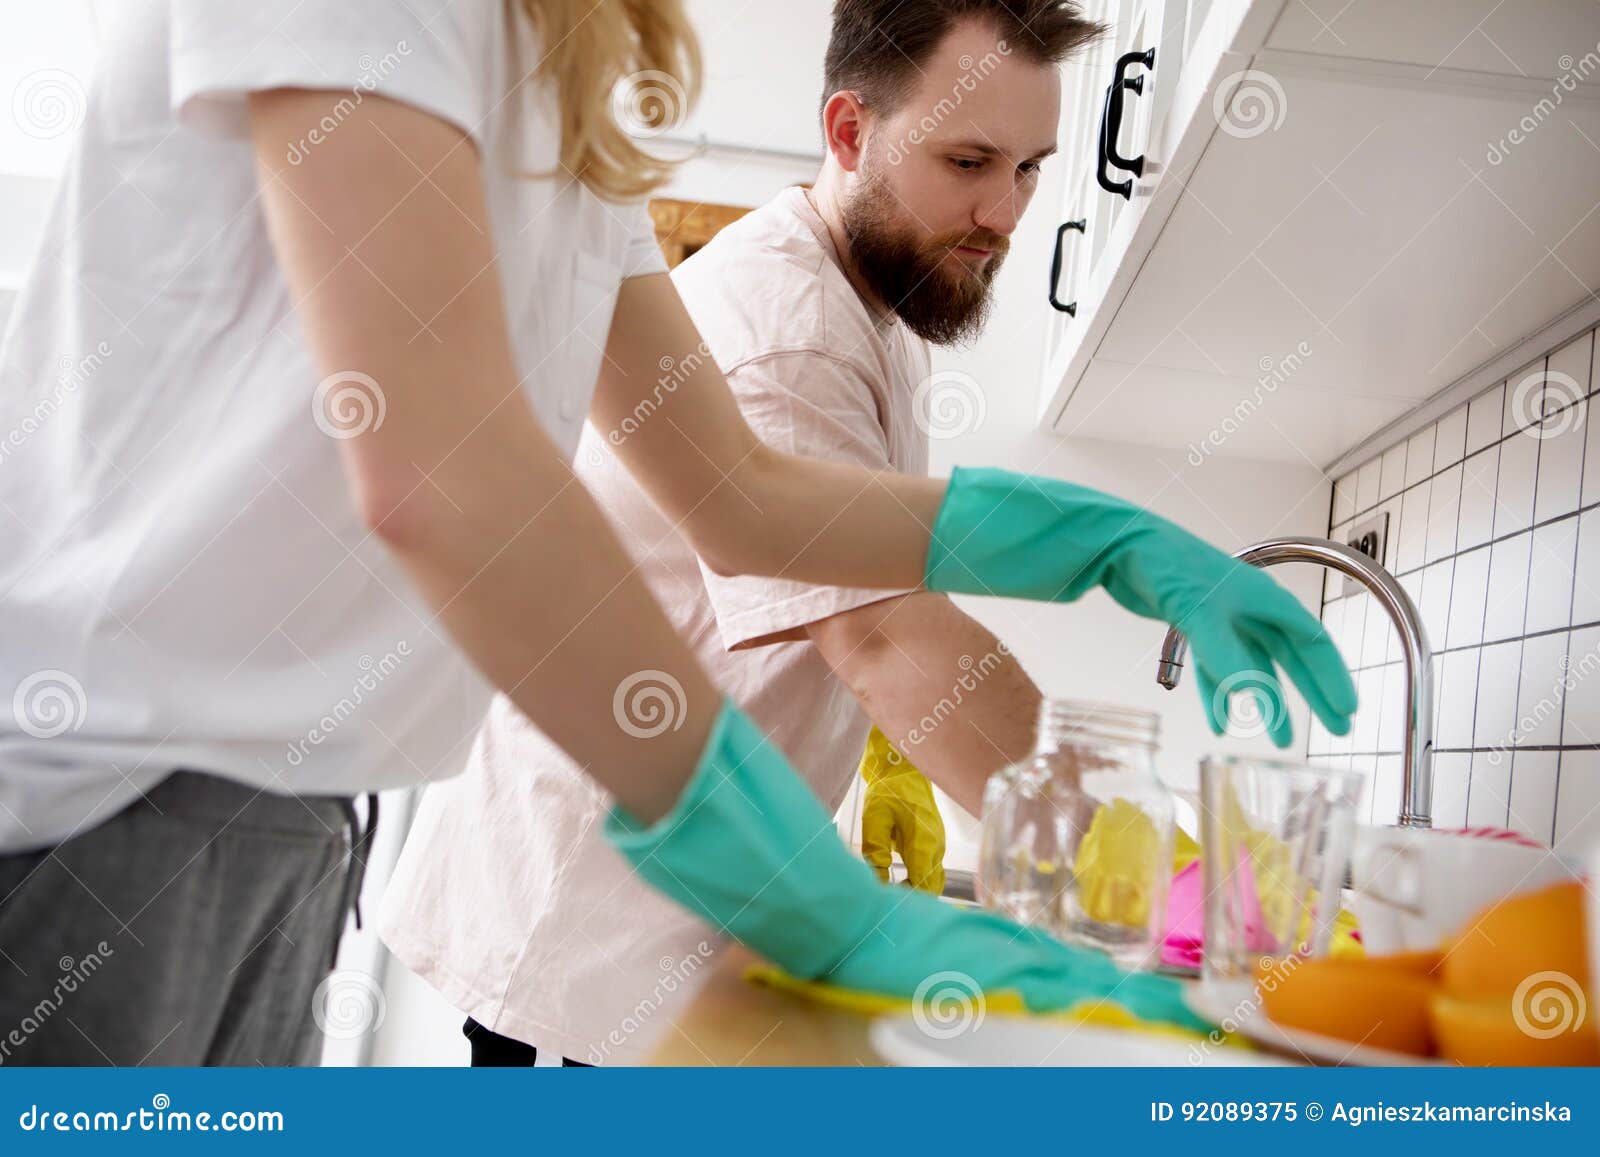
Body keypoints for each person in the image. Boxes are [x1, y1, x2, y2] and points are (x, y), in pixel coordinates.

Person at [0, 0, 1355, 1066]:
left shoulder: (563, 82)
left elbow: (741, 495)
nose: (1005, 205)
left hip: (292, 820)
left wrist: (1096, 543)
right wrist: (831, 902)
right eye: (968, 160)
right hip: (104, 799)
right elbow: (443, 478)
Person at [380, 0, 1077, 1063]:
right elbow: (883, 632)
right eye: (971, 161)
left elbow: (845, 579)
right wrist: (1109, 853)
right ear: (849, 132)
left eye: (1030, 168)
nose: (1005, 210)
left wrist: (889, 749)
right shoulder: (788, 335)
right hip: (596, 925)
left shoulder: (875, 303)